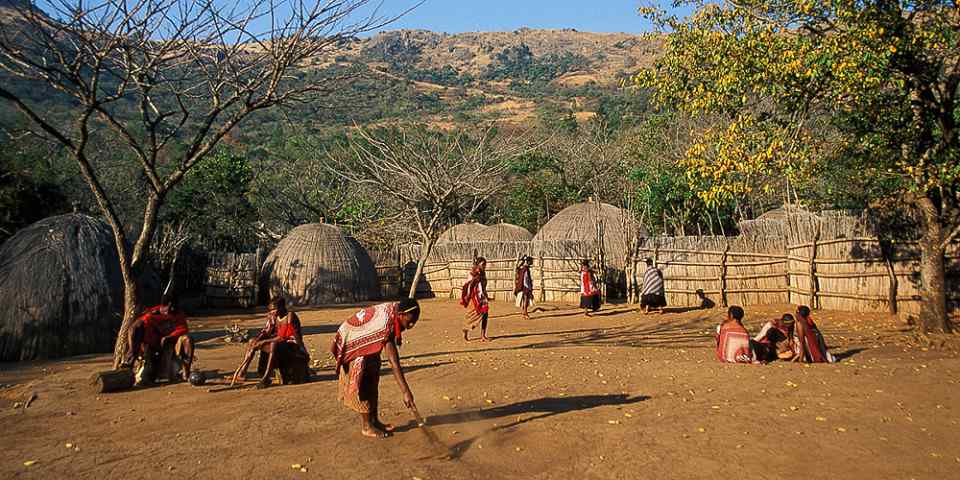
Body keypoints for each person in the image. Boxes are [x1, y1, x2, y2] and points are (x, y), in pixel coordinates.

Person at [331, 298, 421, 438]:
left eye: (414, 323)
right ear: (401, 315)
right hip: (353, 344)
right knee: (364, 380)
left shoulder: (395, 313)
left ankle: (374, 421)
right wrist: (405, 392)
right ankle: (367, 426)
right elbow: (394, 362)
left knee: (373, 375)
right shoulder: (387, 325)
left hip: (364, 341)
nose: (410, 325)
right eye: (409, 322)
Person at [230, 296, 310, 388]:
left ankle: (266, 377)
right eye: (270, 310)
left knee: (273, 344)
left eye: (273, 310)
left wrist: (264, 342)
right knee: (253, 341)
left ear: (281, 307)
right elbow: (266, 331)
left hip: (293, 347)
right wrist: (257, 340)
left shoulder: (290, 316)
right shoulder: (274, 317)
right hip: (280, 346)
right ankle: (242, 372)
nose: (271, 312)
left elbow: (282, 337)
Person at [124, 295, 194, 385]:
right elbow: (135, 329)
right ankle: (131, 366)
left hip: (171, 351)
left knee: (187, 339)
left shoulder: (178, 314)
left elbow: (183, 329)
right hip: (152, 351)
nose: (173, 309)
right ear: (168, 305)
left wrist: (170, 337)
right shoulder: (150, 315)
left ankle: (186, 373)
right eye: (172, 307)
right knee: (144, 380)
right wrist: (133, 351)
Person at [461, 256, 490, 341]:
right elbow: (470, 284)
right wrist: (468, 295)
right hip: (476, 297)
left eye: (485, 264)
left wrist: (486, 295)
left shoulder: (482, 273)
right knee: (478, 313)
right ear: (478, 265)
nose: (485, 266)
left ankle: (482, 335)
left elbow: (483, 286)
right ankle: (468, 328)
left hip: (482, 296)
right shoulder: (475, 273)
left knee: (484, 313)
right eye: (483, 264)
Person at [514, 255, 535, 319]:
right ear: (528, 262)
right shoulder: (525, 269)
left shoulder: (522, 268)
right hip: (524, 287)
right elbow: (525, 279)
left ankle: (524, 312)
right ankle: (525, 313)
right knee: (526, 300)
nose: (531, 262)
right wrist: (528, 288)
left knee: (525, 300)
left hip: (522, 286)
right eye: (530, 261)